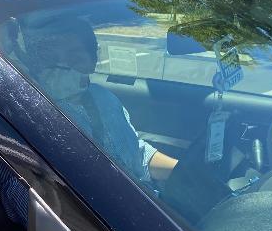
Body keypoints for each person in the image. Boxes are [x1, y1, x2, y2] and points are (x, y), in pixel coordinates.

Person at [17, 13, 178, 183]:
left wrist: (181, 172)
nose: (62, 66)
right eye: (52, 59)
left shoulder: (104, 98)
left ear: (92, 62)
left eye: (75, 57)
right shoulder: (37, 118)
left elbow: (135, 154)